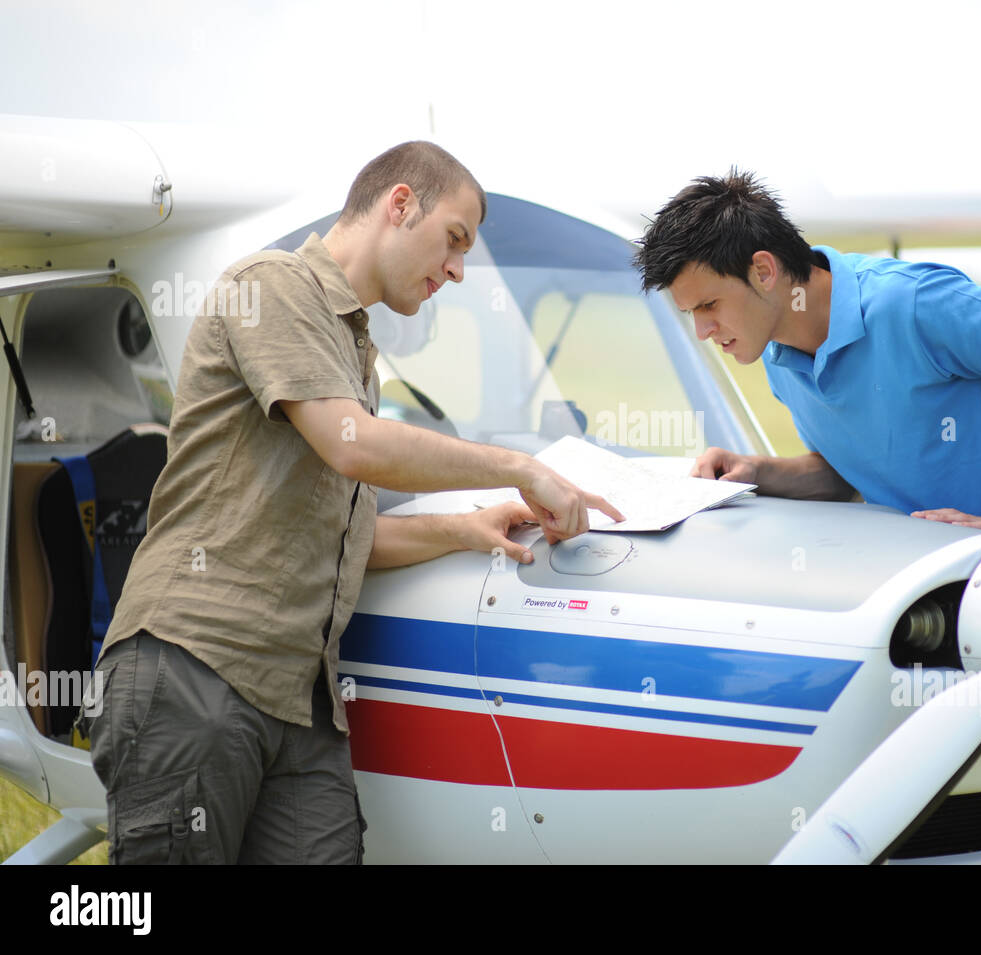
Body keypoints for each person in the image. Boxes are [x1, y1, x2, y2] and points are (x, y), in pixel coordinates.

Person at [81, 141, 622, 864]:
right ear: (400, 204)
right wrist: (520, 467)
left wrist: (467, 527)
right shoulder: (273, 286)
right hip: (198, 667)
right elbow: (354, 445)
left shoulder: (351, 349)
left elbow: (344, 535)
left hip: (300, 699)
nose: (459, 270)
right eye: (454, 240)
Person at [632, 169, 981, 865]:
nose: (702, 330)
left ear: (764, 269)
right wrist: (761, 471)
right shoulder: (780, 354)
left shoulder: (912, 303)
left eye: (709, 305)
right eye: (690, 314)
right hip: (940, 635)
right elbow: (851, 467)